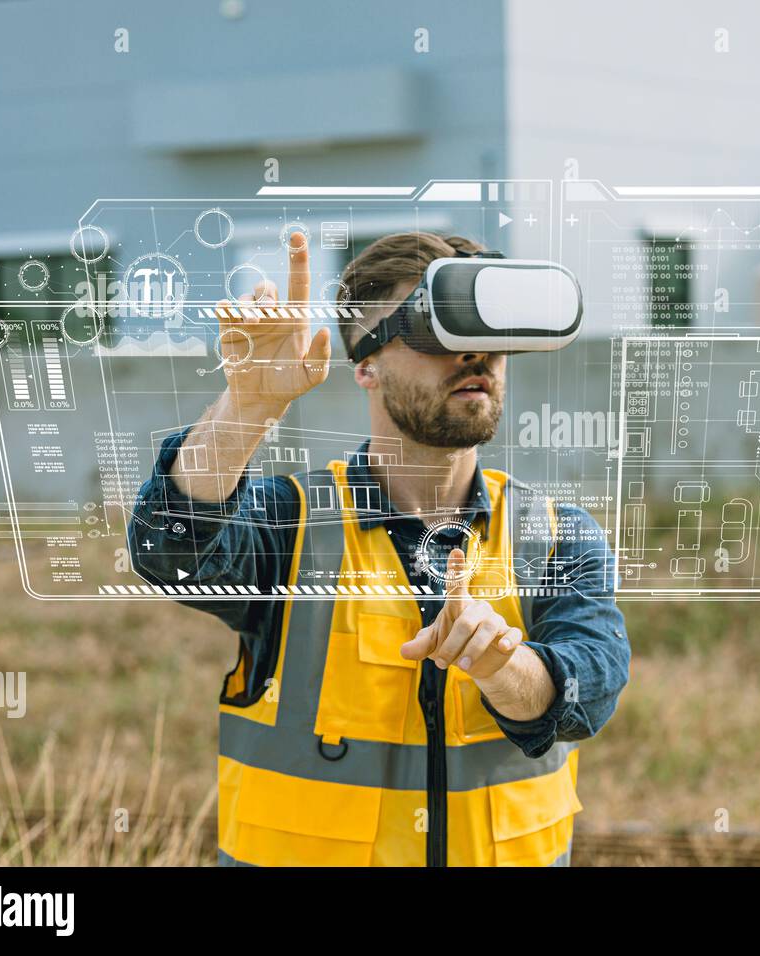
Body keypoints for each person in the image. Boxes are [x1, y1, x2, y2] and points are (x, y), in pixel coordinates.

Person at [127, 230, 630, 867]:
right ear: (365, 364)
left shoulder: (556, 533)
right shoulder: (293, 524)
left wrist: (503, 664)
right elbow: (169, 549)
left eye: (486, 332)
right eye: (440, 330)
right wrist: (245, 408)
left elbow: (591, 693)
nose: (474, 355)